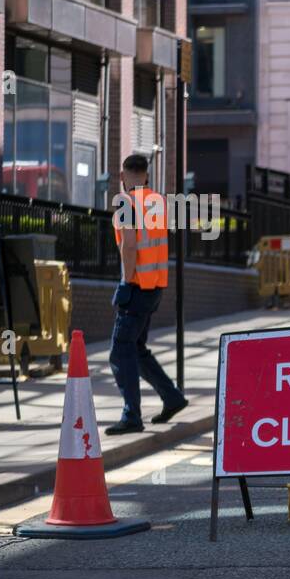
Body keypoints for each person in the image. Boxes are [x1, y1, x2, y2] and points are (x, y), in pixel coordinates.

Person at [107, 154, 187, 435]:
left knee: (120, 352)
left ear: (122, 176)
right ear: (147, 174)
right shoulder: (160, 202)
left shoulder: (124, 202)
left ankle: (132, 415)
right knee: (137, 350)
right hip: (155, 287)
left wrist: (126, 283)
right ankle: (172, 397)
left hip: (137, 286)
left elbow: (129, 245)